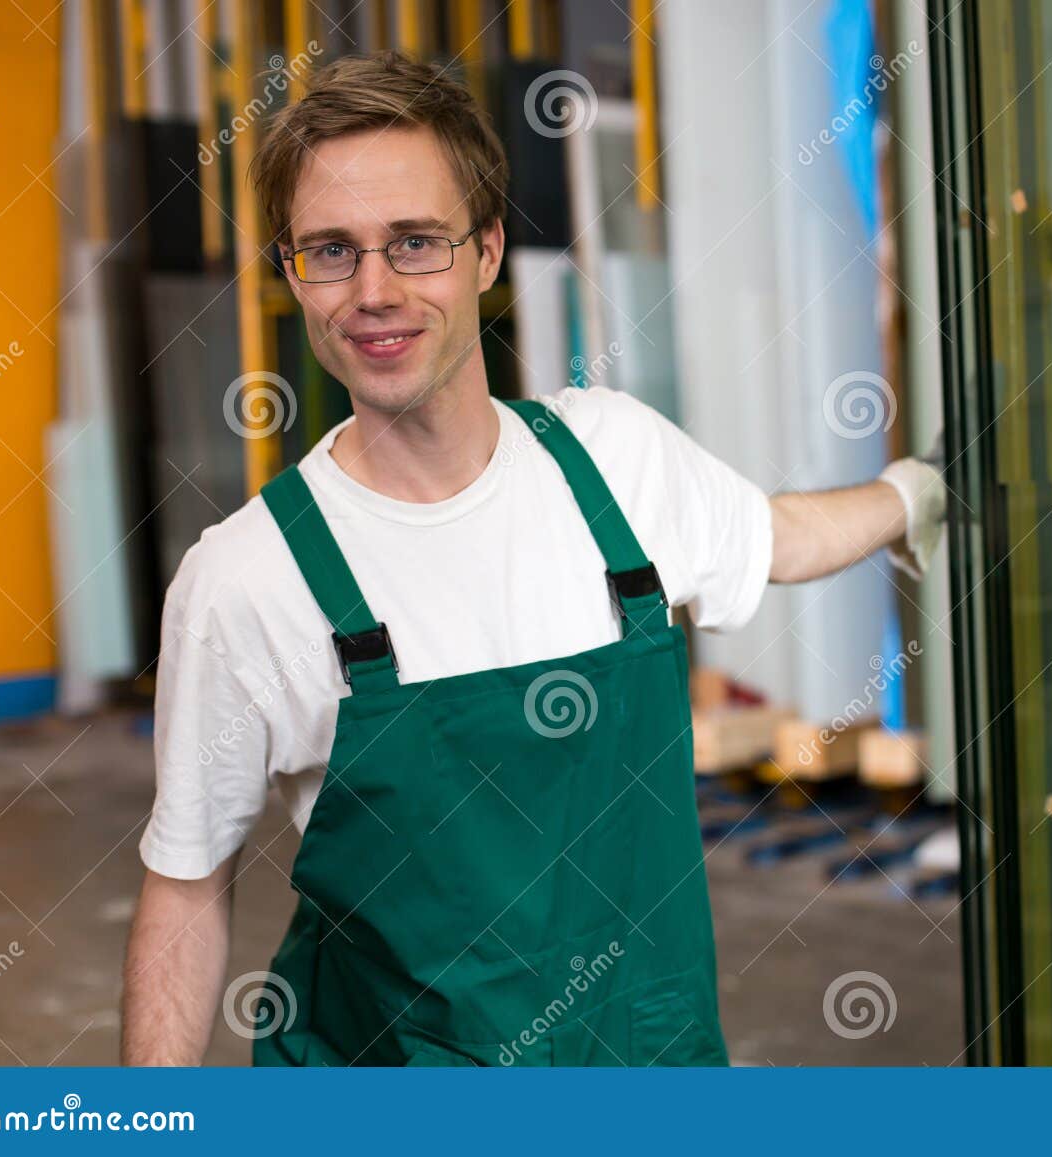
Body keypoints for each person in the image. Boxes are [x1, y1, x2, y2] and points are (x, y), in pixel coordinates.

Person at [120, 50, 945, 1067]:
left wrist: (919, 492)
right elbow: (189, 879)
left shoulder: (612, 463)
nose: (373, 290)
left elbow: (782, 537)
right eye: (330, 250)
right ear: (292, 272)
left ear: (487, 251)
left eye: (415, 242)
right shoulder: (244, 580)